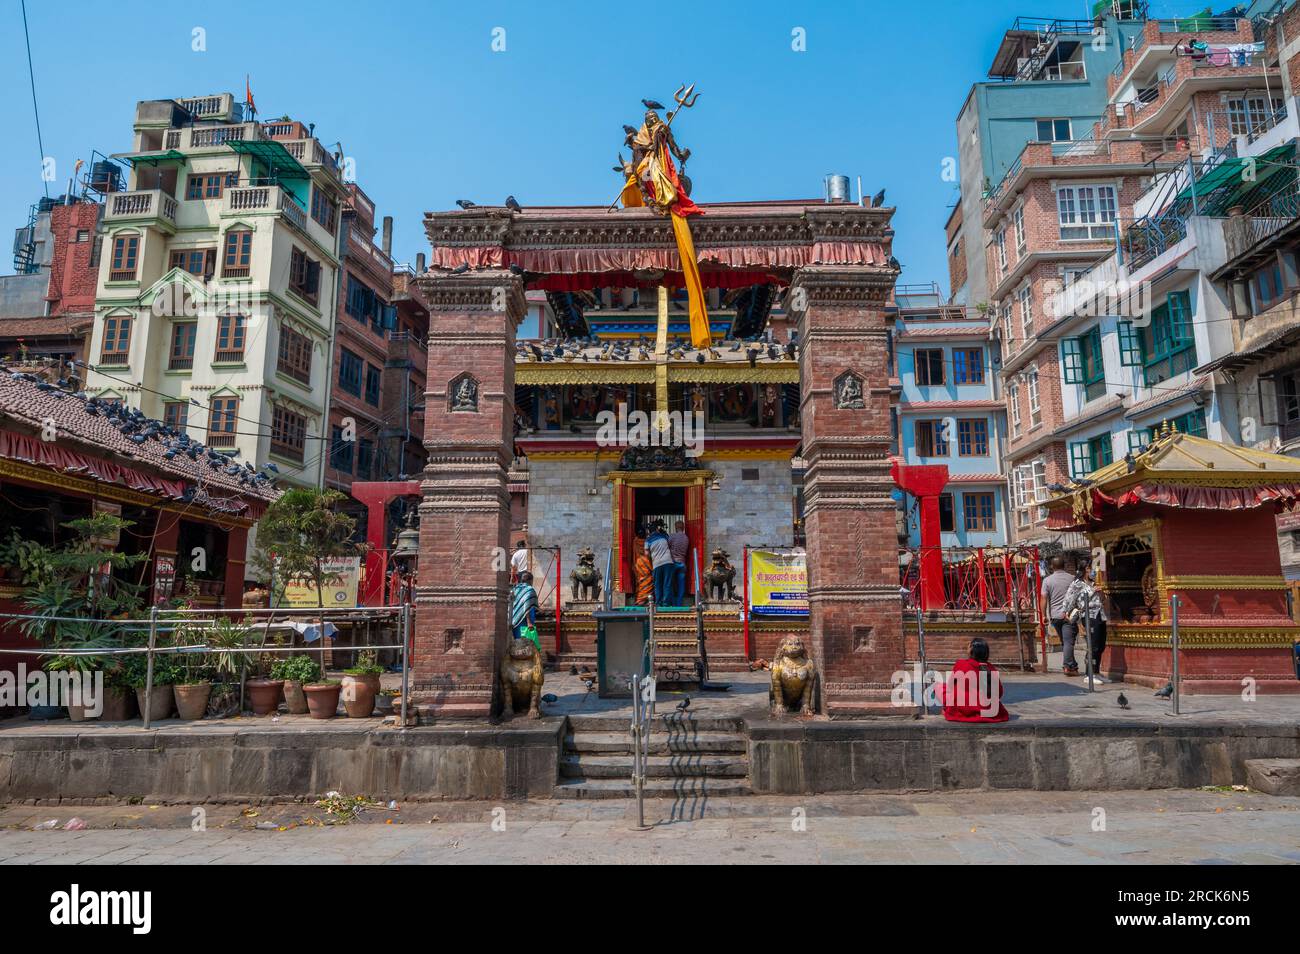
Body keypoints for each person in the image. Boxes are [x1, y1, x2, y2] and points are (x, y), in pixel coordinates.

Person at [939, 637, 1009, 723]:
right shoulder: (991, 668)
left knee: (939, 687)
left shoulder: (961, 664)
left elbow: (950, 686)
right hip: (989, 712)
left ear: (972, 649)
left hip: (964, 712)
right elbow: (999, 693)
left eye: (968, 646)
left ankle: (946, 709)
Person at [1065, 565, 1108, 682]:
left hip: (1100, 614)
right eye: (1090, 568)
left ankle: (1096, 671)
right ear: (1085, 569)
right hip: (1088, 616)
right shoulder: (1077, 584)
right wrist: (1065, 612)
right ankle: (1089, 674)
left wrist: (1101, 593)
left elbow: (1102, 600)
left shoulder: (1093, 583)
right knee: (1093, 645)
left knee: (1100, 644)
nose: (1092, 571)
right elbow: (1069, 600)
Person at [1041, 555, 1080, 676]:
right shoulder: (1072, 579)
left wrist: (1043, 615)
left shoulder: (1047, 580)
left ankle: (1072, 665)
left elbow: (1043, 599)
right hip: (1068, 616)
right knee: (1068, 642)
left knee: (1065, 641)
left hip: (1055, 617)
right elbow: (1078, 597)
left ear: (1052, 567)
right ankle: (1068, 666)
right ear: (1064, 566)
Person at [644, 521, 674, 606]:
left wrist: (652, 557)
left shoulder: (648, 540)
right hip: (668, 561)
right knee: (667, 583)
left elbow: (646, 554)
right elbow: (670, 545)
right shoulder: (664, 536)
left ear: (649, 532)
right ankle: (666, 603)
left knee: (657, 584)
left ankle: (658, 602)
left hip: (656, 563)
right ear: (657, 529)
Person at [509, 571, 538, 642]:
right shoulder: (529, 589)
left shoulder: (515, 589)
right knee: (525, 643)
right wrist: (529, 622)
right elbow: (526, 605)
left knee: (518, 641)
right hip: (525, 620)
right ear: (530, 580)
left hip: (515, 619)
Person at [668, 520, 690, 607]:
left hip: (673, 562)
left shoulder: (672, 536)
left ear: (675, 527)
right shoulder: (686, 538)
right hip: (682, 563)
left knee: (671, 583)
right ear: (683, 527)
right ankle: (679, 603)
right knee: (681, 584)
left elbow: (667, 546)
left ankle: (673, 602)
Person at [633, 535, 654, 605]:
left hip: (639, 563)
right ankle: (646, 599)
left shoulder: (635, 542)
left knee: (641, 582)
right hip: (647, 566)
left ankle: (641, 599)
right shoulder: (648, 542)